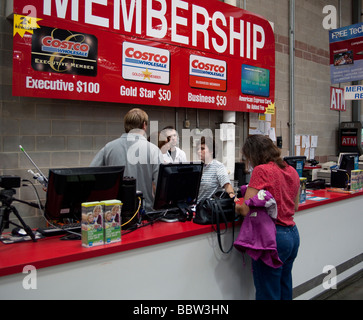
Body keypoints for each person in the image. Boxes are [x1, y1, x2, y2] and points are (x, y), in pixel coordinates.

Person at [235, 134, 300, 300]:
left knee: (267, 293)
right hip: (292, 235)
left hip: (272, 238)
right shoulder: (291, 169)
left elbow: (244, 209)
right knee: (285, 288)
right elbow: (296, 206)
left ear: (254, 154)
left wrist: (235, 206)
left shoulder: (261, 170)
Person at [90, 108, 163, 212]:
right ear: (144, 125)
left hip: (114, 215)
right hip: (144, 214)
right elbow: (161, 185)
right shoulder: (153, 150)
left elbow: (91, 175)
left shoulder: (109, 148)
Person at [197, 136, 235, 202]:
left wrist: (231, 194)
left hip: (208, 208)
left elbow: (226, 184)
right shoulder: (198, 167)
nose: (198, 151)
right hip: (196, 206)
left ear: (211, 151)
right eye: (197, 149)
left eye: (202, 149)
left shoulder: (218, 166)